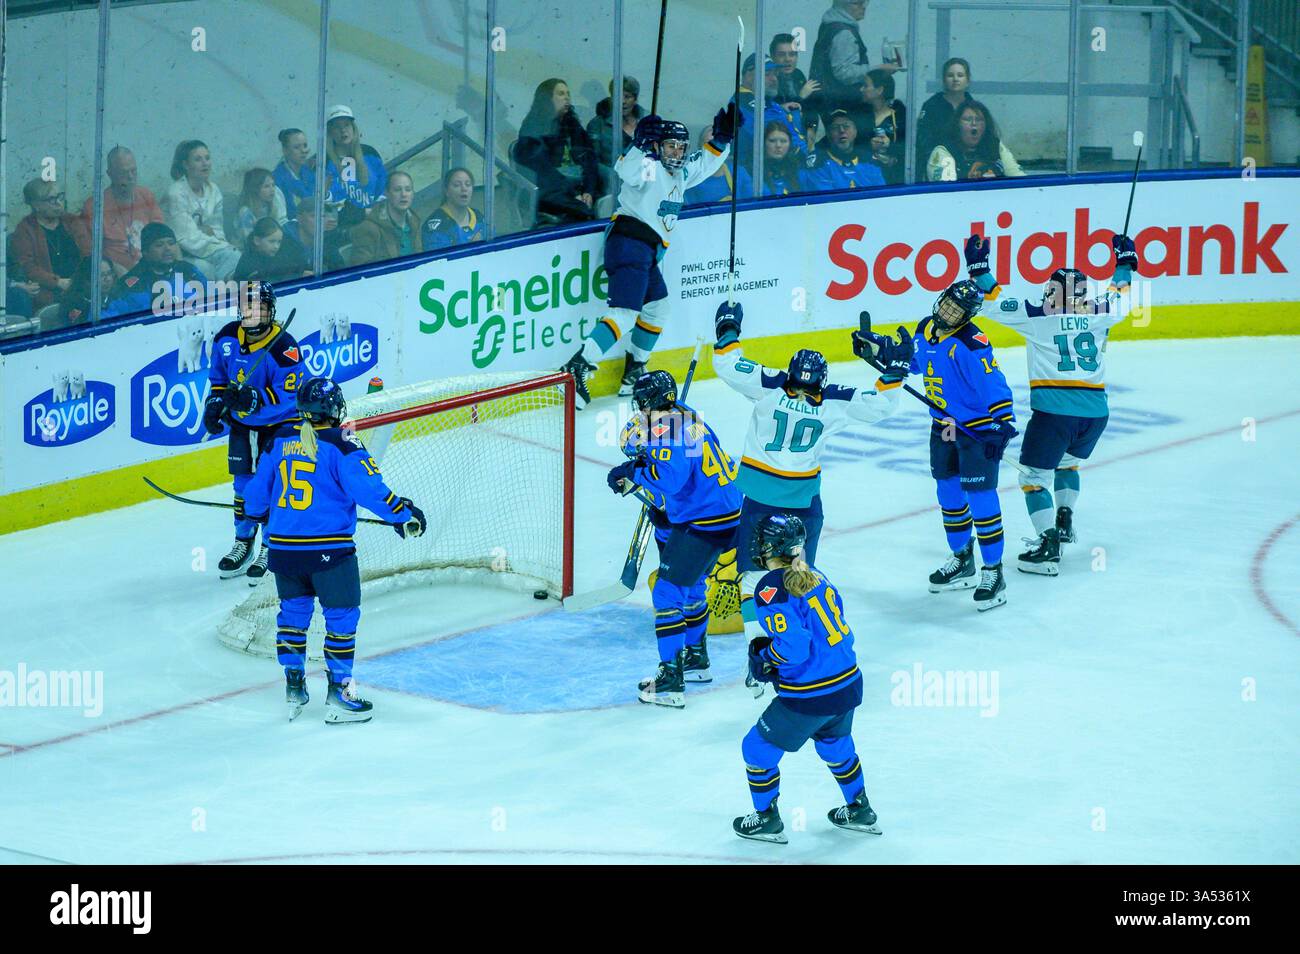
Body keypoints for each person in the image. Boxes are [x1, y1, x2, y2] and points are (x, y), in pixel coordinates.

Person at [711, 298, 908, 657]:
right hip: (803, 502)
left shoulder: (770, 385)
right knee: (802, 573)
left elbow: (725, 363)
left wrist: (728, 326)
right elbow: (883, 404)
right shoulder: (834, 400)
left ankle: (758, 650)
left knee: (754, 579)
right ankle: (804, 643)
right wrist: (895, 370)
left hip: (760, 498)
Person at [242, 376, 428, 723]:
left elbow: (255, 496)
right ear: (334, 408)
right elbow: (371, 490)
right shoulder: (343, 441)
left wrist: (254, 514)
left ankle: (294, 687)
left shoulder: (279, 438)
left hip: (283, 552)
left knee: (293, 619)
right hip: (329, 553)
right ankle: (340, 694)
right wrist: (402, 513)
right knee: (341, 621)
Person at [962, 232, 1141, 573]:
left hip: (1053, 414)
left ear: (1051, 293)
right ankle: (1065, 516)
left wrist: (978, 267)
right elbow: (1122, 292)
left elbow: (993, 300)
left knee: (1032, 479)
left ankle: (1048, 547)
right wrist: (1124, 261)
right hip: (1095, 415)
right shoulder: (1102, 313)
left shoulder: (1036, 316)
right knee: (1067, 465)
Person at [559, 105, 739, 407]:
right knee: (625, 313)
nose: (678, 152)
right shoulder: (649, 166)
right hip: (629, 242)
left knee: (657, 308)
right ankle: (578, 365)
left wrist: (721, 139)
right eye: (671, 145)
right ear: (657, 145)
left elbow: (705, 163)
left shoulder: (679, 172)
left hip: (647, 252)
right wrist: (639, 144)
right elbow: (624, 170)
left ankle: (633, 370)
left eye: (682, 147)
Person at [733, 512, 880, 843]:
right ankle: (860, 809)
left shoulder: (771, 588)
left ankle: (766, 819)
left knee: (756, 748)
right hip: (847, 681)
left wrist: (767, 657)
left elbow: (796, 648)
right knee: (835, 744)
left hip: (812, 693)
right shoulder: (815, 573)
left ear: (770, 546)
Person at [606, 370, 742, 708]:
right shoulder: (686, 414)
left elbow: (671, 480)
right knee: (692, 587)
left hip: (705, 523)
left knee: (667, 592)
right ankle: (696, 658)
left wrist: (634, 471)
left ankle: (670, 679)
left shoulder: (666, 430)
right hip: (726, 514)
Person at [909, 279, 1017, 611]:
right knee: (949, 495)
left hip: (976, 430)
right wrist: (885, 353)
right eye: (947, 304)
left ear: (966, 317)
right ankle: (962, 559)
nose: (947, 312)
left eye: (956, 310)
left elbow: (992, 381)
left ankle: (993, 571)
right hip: (943, 427)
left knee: (981, 498)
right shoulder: (925, 328)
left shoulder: (972, 343)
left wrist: (1002, 423)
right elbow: (915, 365)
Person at [201, 281, 305, 584]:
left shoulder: (285, 348)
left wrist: (255, 399)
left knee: (273, 487)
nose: (255, 313)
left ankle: (270, 546)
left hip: (279, 427)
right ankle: (243, 541)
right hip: (243, 427)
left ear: (271, 310)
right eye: (249, 307)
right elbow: (218, 377)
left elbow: (291, 394)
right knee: (243, 487)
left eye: (261, 307)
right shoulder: (226, 337)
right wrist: (215, 403)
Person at [514, 78, 600, 225]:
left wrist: (589, 191)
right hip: (551, 191)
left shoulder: (573, 124)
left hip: (577, 188)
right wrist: (573, 194)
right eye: (561, 94)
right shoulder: (533, 128)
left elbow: (589, 158)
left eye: (568, 94)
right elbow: (544, 173)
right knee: (583, 213)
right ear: (547, 99)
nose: (566, 97)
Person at [808, 0, 898, 127]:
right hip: (840, 105)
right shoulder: (843, 33)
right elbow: (844, 73)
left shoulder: (830, 26)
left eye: (864, 3)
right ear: (841, 6)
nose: (863, 7)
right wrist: (877, 69)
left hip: (827, 103)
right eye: (857, 3)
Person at [79, 146, 164, 275]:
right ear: (110, 174)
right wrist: (114, 268)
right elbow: (91, 253)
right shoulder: (95, 206)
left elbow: (161, 236)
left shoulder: (146, 196)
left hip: (152, 268)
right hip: (115, 275)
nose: (131, 177)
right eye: (124, 173)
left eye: (133, 171)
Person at [163, 140, 241, 280]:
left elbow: (217, 230)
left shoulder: (214, 190)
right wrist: (218, 244)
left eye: (207, 158)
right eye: (198, 159)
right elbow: (187, 238)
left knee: (236, 257)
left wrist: (221, 245)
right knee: (207, 268)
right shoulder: (176, 193)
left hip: (210, 248)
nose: (205, 163)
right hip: (182, 254)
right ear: (186, 165)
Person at [11, 178, 90, 311]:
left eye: (60, 197)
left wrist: (80, 281)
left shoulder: (72, 221)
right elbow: (27, 267)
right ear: (36, 205)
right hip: (49, 294)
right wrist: (58, 282)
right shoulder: (25, 229)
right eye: (52, 199)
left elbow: (89, 252)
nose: (59, 203)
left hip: (82, 287)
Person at [104, 222, 208, 318]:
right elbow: (106, 320)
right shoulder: (133, 285)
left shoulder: (188, 271)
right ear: (145, 252)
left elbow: (214, 302)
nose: (168, 248)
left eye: (171, 243)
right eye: (159, 245)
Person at [732, 54, 808, 168]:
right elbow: (772, 134)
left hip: (780, 168)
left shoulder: (766, 101)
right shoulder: (744, 103)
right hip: (761, 173)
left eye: (775, 74)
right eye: (767, 74)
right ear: (748, 75)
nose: (774, 79)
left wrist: (783, 110)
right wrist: (804, 154)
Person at [321, 105, 388, 233]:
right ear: (330, 131)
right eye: (337, 127)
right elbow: (323, 203)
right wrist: (360, 213)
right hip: (338, 231)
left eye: (346, 125)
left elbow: (382, 190)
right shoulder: (322, 161)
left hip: (374, 227)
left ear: (353, 128)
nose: (343, 131)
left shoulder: (370, 153)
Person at [927, 100, 1024, 182]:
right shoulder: (943, 152)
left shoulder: (995, 146)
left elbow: (1020, 180)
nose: (974, 124)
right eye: (967, 119)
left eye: (979, 120)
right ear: (957, 125)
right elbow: (946, 192)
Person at [348, 171, 423, 266]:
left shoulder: (415, 221)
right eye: (397, 190)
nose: (404, 194)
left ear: (413, 194)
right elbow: (359, 271)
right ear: (386, 193)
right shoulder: (368, 228)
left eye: (408, 190)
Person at [914, 57, 973, 175]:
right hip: (938, 164)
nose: (955, 79)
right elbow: (923, 139)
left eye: (960, 75)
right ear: (944, 80)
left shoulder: (974, 107)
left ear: (968, 81)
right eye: (950, 75)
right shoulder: (932, 105)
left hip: (969, 164)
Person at [586, 76, 646, 191]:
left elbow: (654, 157)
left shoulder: (648, 123)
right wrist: (614, 176)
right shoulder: (597, 125)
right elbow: (592, 161)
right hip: (609, 188)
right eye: (618, 96)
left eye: (627, 97)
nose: (623, 101)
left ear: (635, 99)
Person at [806, 111, 886, 191]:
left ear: (855, 131)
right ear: (828, 134)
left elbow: (882, 195)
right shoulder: (819, 162)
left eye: (846, 126)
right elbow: (826, 199)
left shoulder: (869, 160)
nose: (842, 130)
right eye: (835, 127)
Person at [683, 124, 752, 205]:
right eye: (710, 145)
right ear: (700, 149)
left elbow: (752, 204)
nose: (715, 150)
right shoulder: (691, 177)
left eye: (719, 143)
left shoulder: (739, 172)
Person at [422, 167, 486, 250]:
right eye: (457, 185)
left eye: (468, 184)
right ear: (446, 191)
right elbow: (440, 260)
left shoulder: (479, 217)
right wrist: (470, 248)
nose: (464, 189)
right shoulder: (435, 226)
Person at [861, 68, 905, 185]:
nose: (861, 89)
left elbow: (911, 149)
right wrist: (868, 145)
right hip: (863, 179)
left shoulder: (901, 117)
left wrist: (889, 145)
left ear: (879, 90)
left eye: (865, 86)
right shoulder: (859, 115)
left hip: (893, 180)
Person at [233, 217, 310, 283]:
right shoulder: (247, 266)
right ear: (257, 241)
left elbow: (300, 266)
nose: (276, 246)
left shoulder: (287, 250)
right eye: (271, 241)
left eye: (279, 241)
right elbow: (249, 297)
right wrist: (297, 276)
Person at [770, 32, 821, 121]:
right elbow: (777, 115)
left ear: (797, 57)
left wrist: (811, 127)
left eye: (792, 54)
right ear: (773, 57)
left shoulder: (798, 75)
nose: (787, 59)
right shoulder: (768, 80)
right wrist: (801, 97)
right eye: (782, 55)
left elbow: (811, 109)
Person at [234, 168, 289, 248]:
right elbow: (249, 241)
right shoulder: (245, 213)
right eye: (266, 186)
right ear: (255, 189)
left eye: (273, 185)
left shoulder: (269, 207)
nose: (272, 190)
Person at [273, 128, 317, 219]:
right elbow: (281, 219)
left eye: (305, 146)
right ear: (285, 150)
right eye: (297, 147)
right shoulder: (277, 179)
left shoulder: (308, 172)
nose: (303, 151)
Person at [758, 122, 807, 196]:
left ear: (790, 144)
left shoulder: (799, 171)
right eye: (772, 141)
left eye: (783, 141)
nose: (778, 145)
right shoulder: (753, 171)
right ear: (763, 143)